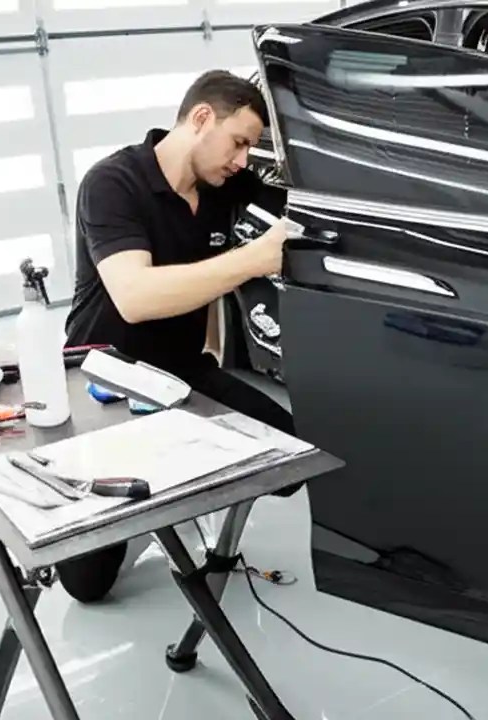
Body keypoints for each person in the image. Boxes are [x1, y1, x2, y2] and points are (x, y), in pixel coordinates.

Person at [54, 70, 297, 603]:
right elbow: (135, 297)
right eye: (238, 143)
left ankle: (189, 515)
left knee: (289, 457)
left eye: (250, 149)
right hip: (104, 382)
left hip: (181, 373)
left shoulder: (223, 185)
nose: (241, 161)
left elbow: (296, 207)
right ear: (201, 118)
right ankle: (145, 494)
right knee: (88, 586)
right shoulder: (112, 182)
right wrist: (251, 259)